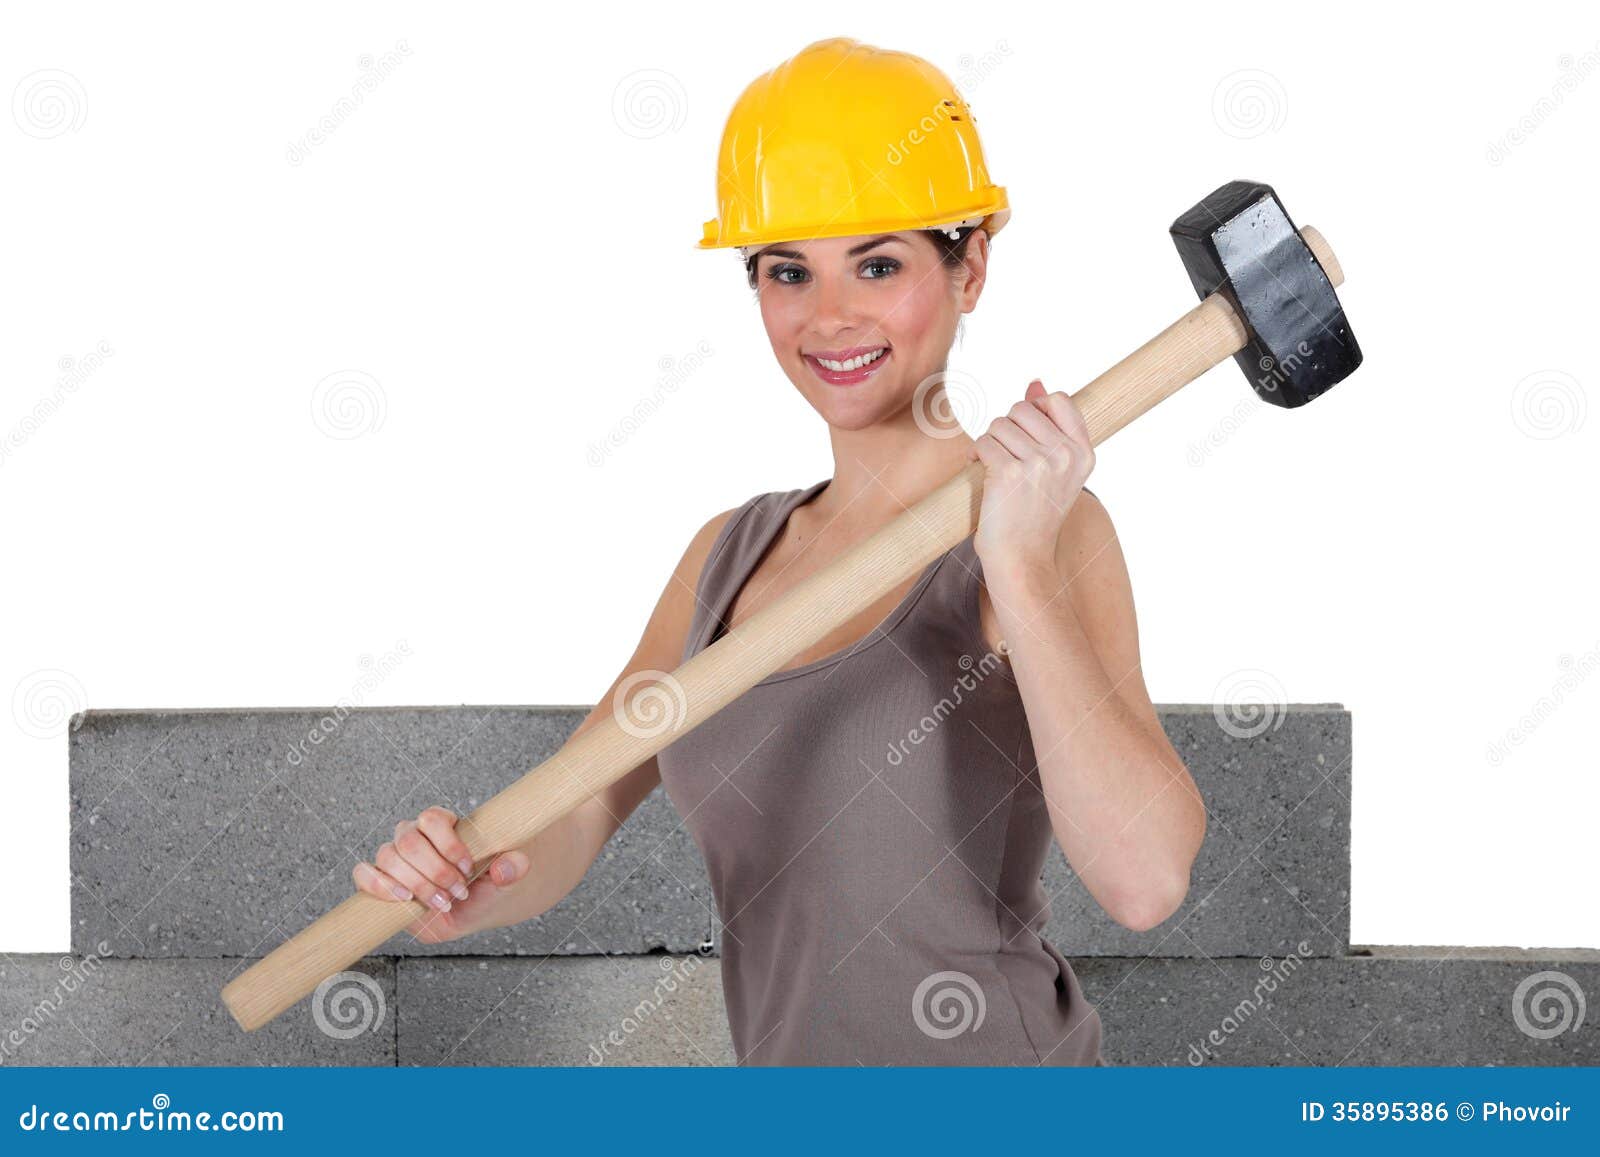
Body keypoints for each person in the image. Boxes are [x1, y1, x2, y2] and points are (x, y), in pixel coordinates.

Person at [351, 36, 1206, 1066]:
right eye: (788, 270)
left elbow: (1145, 879)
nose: (830, 314)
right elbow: (574, 810)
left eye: (878, 264)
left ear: (969, 262)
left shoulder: (1043, 524)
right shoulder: (729, 552)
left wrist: (1017, 562)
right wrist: (461, 878)